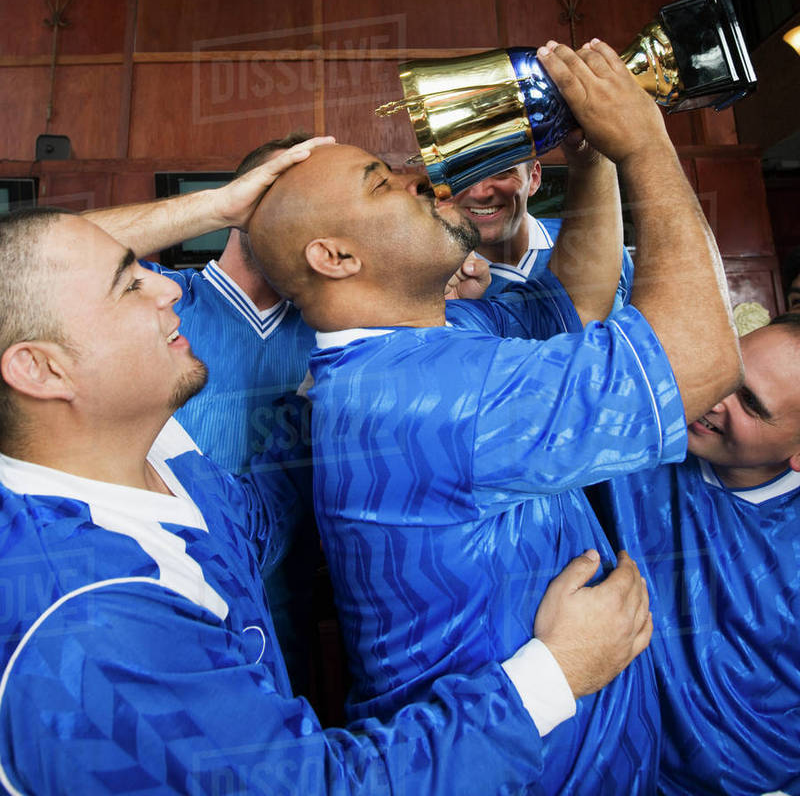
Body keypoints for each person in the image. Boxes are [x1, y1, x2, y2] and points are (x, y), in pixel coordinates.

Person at [0, 202, 655, 796]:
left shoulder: (139, 450)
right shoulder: (92, 625)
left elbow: (248, 522)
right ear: (39, 367)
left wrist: (343, 397)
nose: (171, 283)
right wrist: (556, 673)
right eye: (130, 283)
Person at [248, 38, 743, 796]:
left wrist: (593, 160)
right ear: (335, 258)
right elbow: (703, 362)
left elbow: (573, 299)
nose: (425, 178)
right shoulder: (424, 399)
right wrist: (645, 142)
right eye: (385, 183)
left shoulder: (420, 350)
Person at [86, 133, 319, 690]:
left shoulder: (337, 328)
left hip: (293, 609)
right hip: (159, 601)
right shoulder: (159, 303)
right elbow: (34, 261)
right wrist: (216, 204)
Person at [593, 312, 800, 796]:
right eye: (725, 370)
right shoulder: (637, 432)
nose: (715, 396)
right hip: (613, 769)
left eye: (749, 402)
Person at [440, 158, 635, 304]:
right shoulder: (442, 279)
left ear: (533, 178)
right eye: (462, 175)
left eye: (501, 171)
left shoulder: (596, 241)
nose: (480, 193)